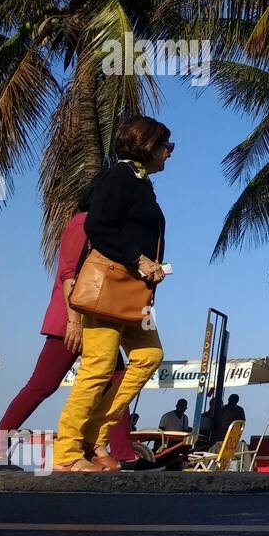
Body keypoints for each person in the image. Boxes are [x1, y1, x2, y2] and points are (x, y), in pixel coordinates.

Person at [0, 200, 134, 471]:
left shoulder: (106, 229)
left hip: (95, 322)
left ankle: (120, 453)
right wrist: (74, 319)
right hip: (70, 321)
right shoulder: (83, 221)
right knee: (42, 385)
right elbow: (68, 272)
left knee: (116, 380)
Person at [53, 117, 171, 472]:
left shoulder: (141, 183)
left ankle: (93, 436)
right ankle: (67, 453)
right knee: (98, 366)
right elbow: (97, 225)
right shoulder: (118, 176)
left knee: (149, 355)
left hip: (134, 295)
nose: (169, 153)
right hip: (109, 287)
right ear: (148, 146)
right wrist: (139, 259)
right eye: (167, 146)